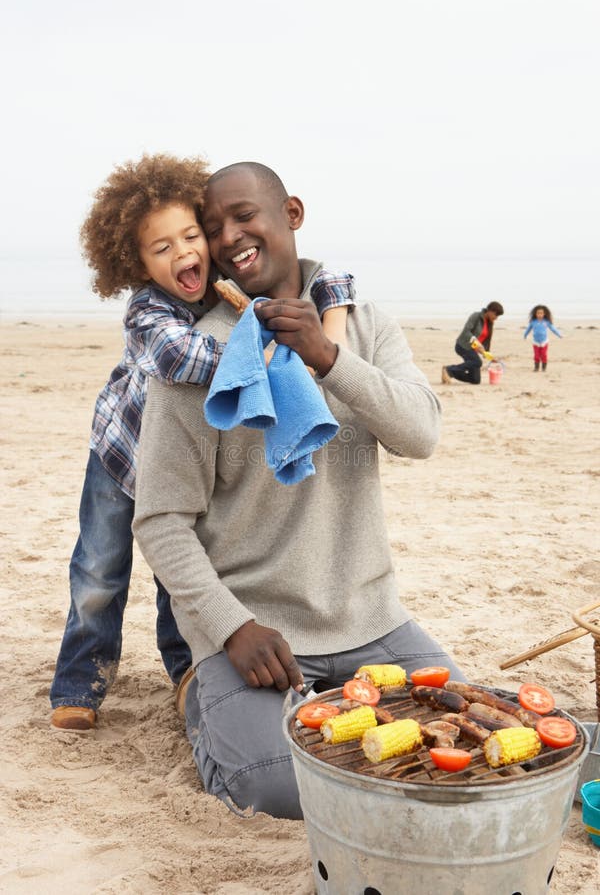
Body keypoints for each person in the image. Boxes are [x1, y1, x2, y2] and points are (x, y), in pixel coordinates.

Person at [132, 161, 465, 820]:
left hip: (372, 621)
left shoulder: (363, 324)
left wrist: (328, 357)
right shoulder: (195, 359)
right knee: (281, 790)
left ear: (291, 213)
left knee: (460, 734)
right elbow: (161, 520)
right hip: (256, 636)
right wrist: (231, 629)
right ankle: (201, 698)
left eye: (244, 216)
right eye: (213, 226)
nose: (228, 237)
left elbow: (420, 432)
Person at [50, 155, 355, 731]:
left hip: (180, 470)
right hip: (122, 456)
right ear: (134, 263)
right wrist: (262, 360)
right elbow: (178, 357)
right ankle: (79, 684)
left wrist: (331, 319)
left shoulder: (228, 292)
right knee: (99, 570)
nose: (182, 253)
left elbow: (323, 281)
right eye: (159, 248)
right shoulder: (151, 309)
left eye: (191, 235)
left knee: (179, 576)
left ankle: (187, 672)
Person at [441, 302, 504, 385]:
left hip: (473, 349)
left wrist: (491, 357)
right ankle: (449, 370)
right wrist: (475, 341)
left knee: (475, 379)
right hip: (463, 346)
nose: (496, 318)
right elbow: (466, 331)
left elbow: (486, 344)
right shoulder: (476, 316)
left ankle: (450, 373)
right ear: (490, 311)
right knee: (477, 362)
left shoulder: (489, 323)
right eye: (496, 315)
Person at [523, 304, 561, 371]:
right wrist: (525, 335)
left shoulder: (546, 322)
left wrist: (559, 335)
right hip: (535, 342)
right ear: (535, 314)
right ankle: (536, 367)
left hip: (544, 342)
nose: (539, 314)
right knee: (536, 356)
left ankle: (544, 368)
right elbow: (528, 329)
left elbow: (553, 329)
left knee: (543, 355)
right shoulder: (533, 322)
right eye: (538, 313)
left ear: (544, 314)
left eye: (541, 313)